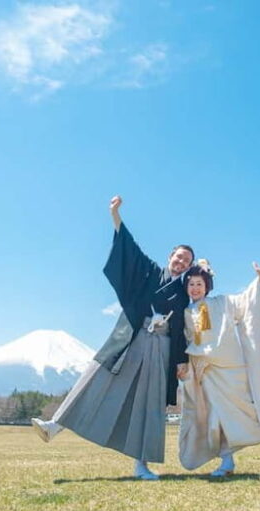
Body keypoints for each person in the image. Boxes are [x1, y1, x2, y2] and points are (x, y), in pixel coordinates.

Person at [31, 195, 193, 480]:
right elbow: (129, 247)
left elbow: (182, 331)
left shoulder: (183, 294)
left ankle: (141, 465)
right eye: (178, 256)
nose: (181, 262)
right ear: (170, 256)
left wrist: (182, 361)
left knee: (150, 403)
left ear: (189, 267)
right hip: (132, 336)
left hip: (161, 347)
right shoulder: (150, 270)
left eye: (187, 261)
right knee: (97, 376)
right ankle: (55, 425)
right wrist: (115, 215)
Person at [177, 260, 260, 477]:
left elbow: (246, 301)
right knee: (216, 417)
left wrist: (258, 281)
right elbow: (186, 340)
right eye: (191, 284)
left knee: (244, 409)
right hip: (206, 372)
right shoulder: (185, 312)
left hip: (230, 368)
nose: (195, 288)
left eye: (199, 284)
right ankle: (227, 462)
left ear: (207, 286)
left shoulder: (223, 303)